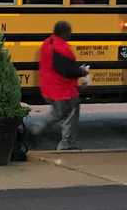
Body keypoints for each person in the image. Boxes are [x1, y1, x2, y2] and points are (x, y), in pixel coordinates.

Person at [34, 20, 90, 150]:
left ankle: (38, 128)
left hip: (48, 87)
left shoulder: (48, 43)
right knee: (70, 114)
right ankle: (66, 144)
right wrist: (82, 72)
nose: (70, 35)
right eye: (69, 32)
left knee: (59, 113)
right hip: (62, 90)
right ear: (64, 33)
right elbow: (67, 70)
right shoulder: (61, 48)